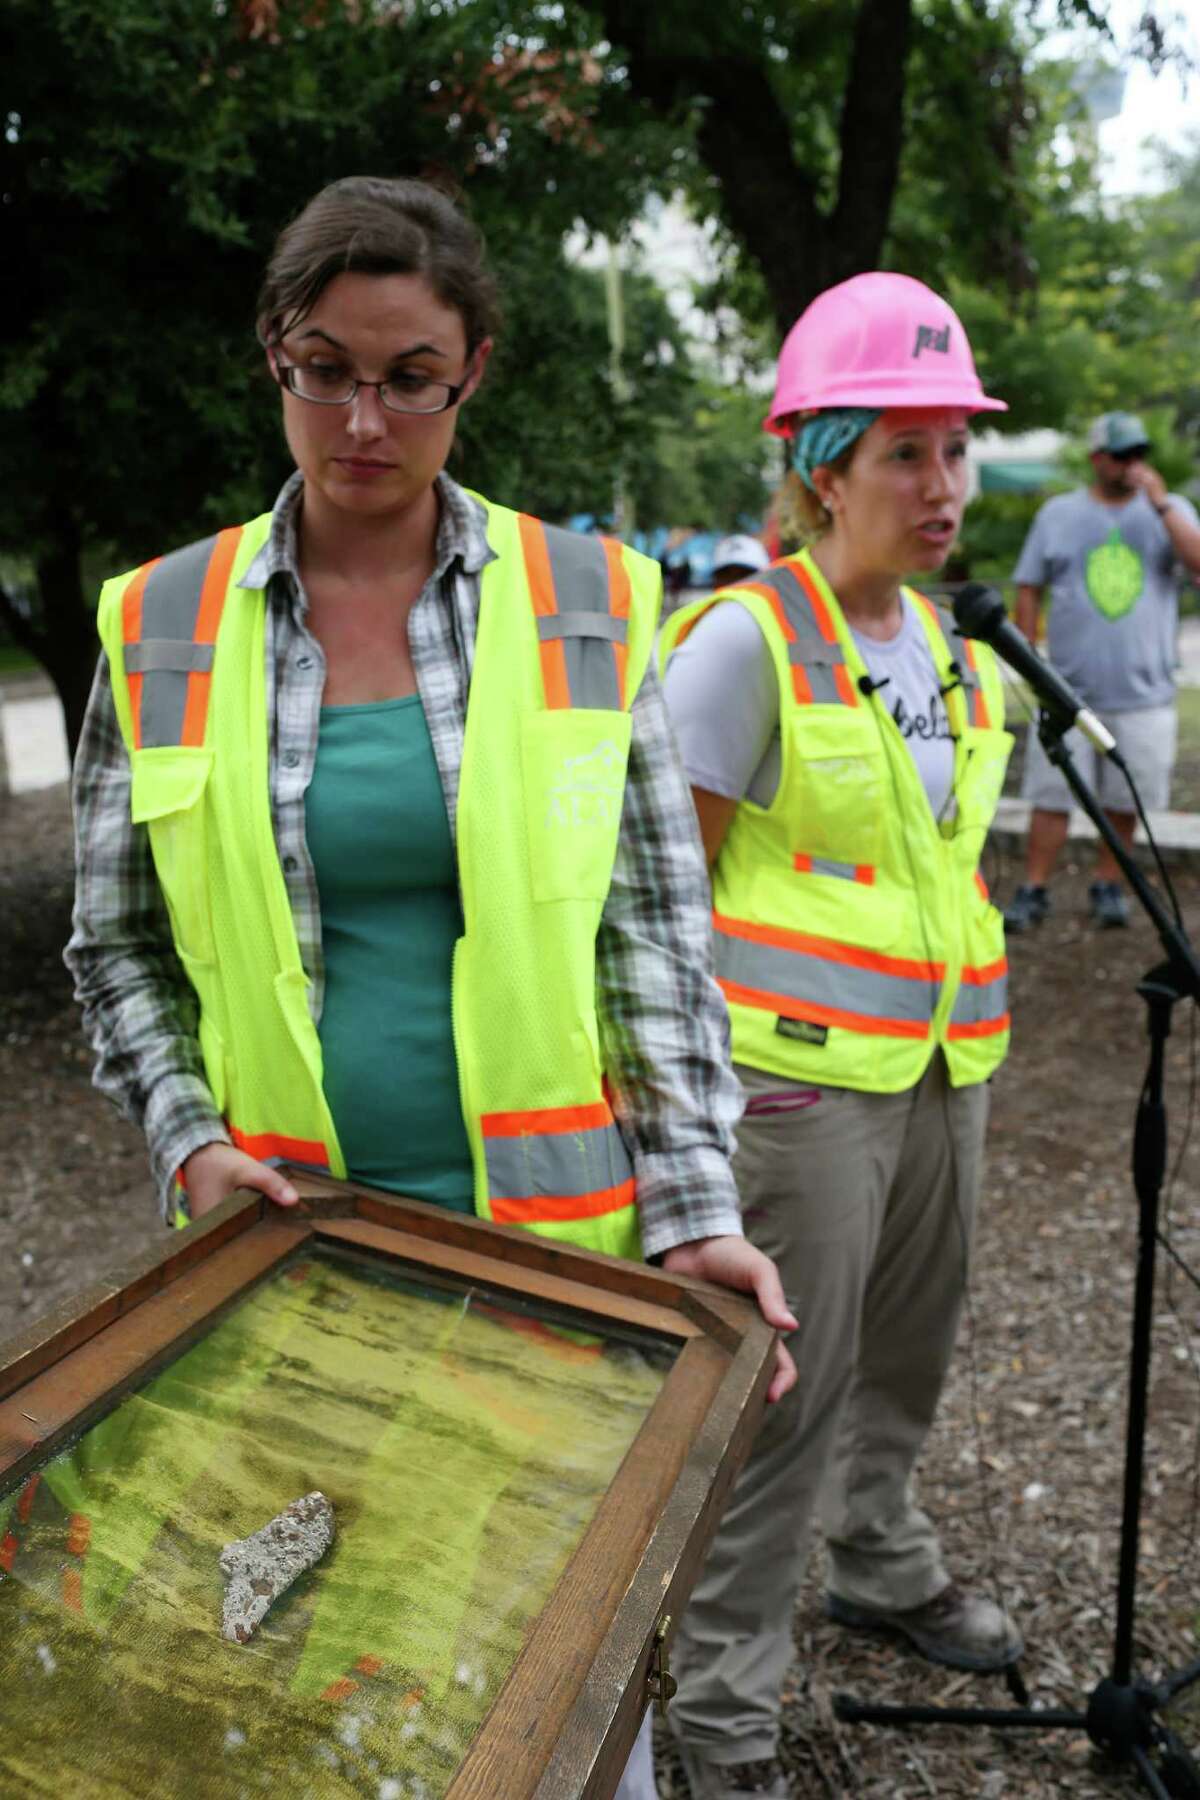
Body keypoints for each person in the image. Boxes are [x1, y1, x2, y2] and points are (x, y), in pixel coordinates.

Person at [64, 175, 798, 1800]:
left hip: (552, 1272)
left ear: (474, 373)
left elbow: (656, 950)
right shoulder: (163, 624)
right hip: (282, 1260)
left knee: (553, 1685)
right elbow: (113, 946)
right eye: (326, 367)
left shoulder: (596, 604)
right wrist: (192, 1145)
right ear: (275, 355)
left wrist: (693, 1213)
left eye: (412, 378)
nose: (364, 417)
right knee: (286, 1670)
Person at [659, 271, 1021, 1800]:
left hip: (945, 1073)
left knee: (910, 1351)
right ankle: (720, 1710)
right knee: (779, 1403)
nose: (944, 488)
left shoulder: (952, 647)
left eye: (958, 452)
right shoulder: (745, 646)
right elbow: (658, 896)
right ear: (823, 464)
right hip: (796, 1094)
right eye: (909, 455)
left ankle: (882, 1559)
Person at [1004, 411, 1200, 933]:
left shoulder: (1169, 510)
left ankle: (1108, 884)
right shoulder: (1058, 514)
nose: (1132, 465)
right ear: (1096, 460)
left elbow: (1198, 561)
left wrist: (1159, 502)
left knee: (1122, 797)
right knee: (1050, 797)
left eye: (1139, 454)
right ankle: (1034, 887)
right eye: (1121, 455)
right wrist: (1028, 654)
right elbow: (1029, 583)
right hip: (1065, 690)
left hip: (1144, 694)